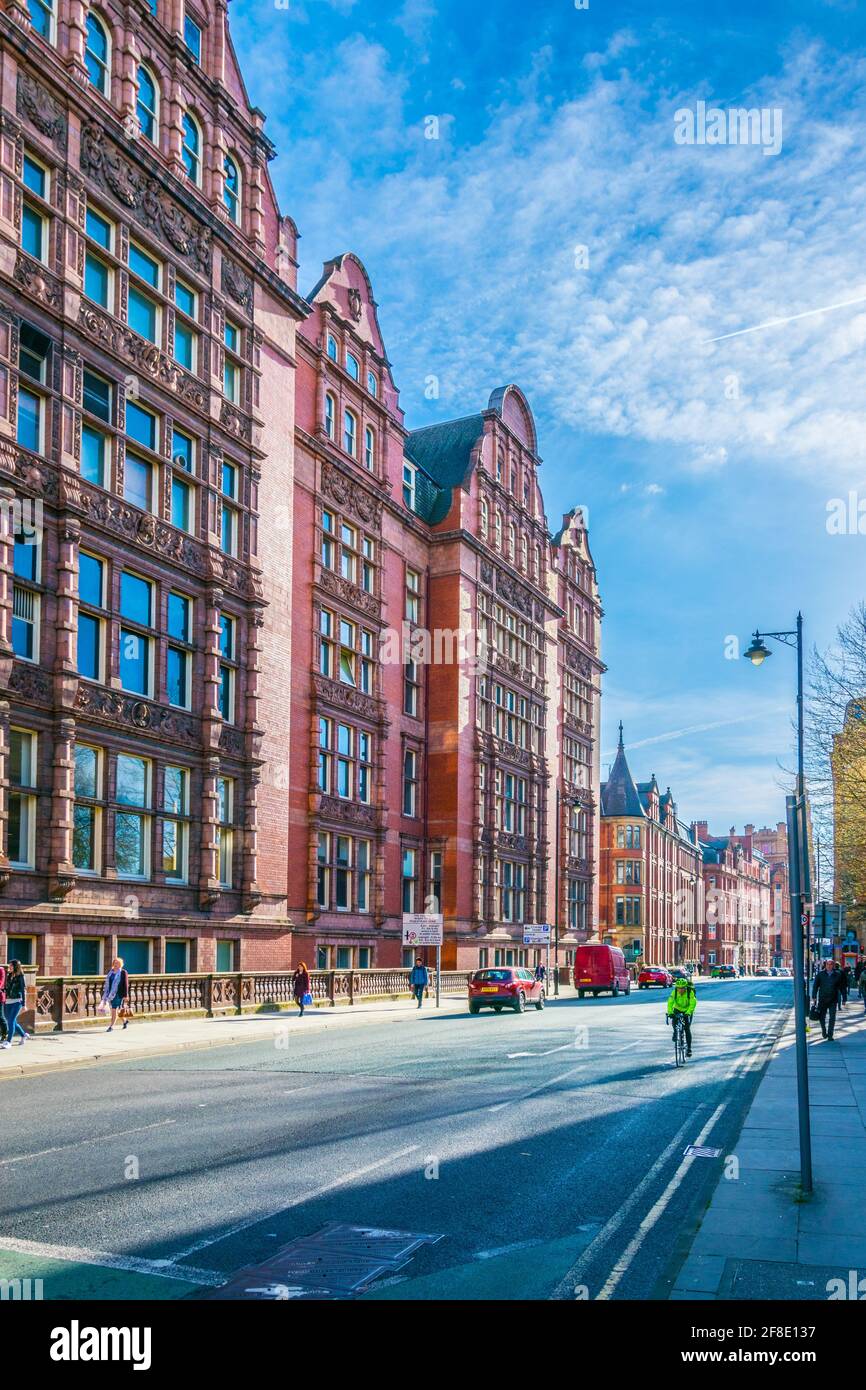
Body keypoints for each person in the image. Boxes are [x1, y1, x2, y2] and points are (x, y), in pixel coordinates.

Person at [665, 975, 697, 1056]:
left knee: (687, 1028)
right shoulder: (674, 992)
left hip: (687, 1010)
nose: (680, 990)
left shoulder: (690, 992)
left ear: (685, 987)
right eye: (678, 988)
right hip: (678, 1008)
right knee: (674, 1020)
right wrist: (670, 1012)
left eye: (682, 988)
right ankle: (675, 1032)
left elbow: (693, 1003)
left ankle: (689, 1048)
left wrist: (689, 1012)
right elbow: (670, 1002)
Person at [812, 958, 842, 1040]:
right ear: (825, 965)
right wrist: (814, 996)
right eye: (827, 964)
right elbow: (815, 986)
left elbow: (841, 987)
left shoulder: (838, 974)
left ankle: (830, 1035)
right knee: (822, 1017)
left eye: (831, 964)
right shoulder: (820, 974)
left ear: (833, 965)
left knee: (832, 1018)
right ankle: (824, 1031)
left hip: (833, 999)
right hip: (822, 999)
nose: (829, 966)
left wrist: (844, 998)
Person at [2, 960, 28, 1046]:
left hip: (17, 1001)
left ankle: (8, 1042)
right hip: (8, 1001)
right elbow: (6, 988)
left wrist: (24, 1004)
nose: (9, 967)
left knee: (11, 1021)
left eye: (11, 966)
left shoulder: (21, 977)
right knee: (11, 1021)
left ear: (16, 966)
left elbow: (23, 990)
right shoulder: (9, 975)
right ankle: (23, 1035)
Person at [101, 957, 130, 1032]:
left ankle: (111, 1026)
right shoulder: (110, 972)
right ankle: (125, 1021)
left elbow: (126, 984)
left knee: (114, 1009)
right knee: (118, 1010)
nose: (116, 964)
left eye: (118, 963)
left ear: (121, 964)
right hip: (110, 993)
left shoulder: (123, 972)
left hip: (118, 994)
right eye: (115, 963)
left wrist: (126, 995)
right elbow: (107, 983)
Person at [0, 960, 7, 1048]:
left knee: (1, 1016)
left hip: (0, 998)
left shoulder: (1, 969)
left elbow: (1, 982)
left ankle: (4, 1035)